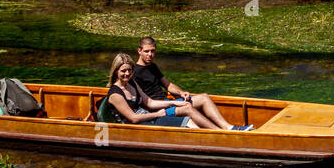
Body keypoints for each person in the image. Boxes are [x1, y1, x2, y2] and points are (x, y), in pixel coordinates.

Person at [106, 52, 251, 130]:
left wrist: (174, 103)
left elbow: (149, 102)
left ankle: (221, 133)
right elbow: (133, 118)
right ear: (116, 71)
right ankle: (220, 135)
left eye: (130, 71)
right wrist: (159, 113)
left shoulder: (132, 82)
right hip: (142, 125)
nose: (127, 74)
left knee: (190, 119)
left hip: (151, 116)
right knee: (189, 121)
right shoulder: (115, 94)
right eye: (123, 71)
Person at [132, 36, 251, 130]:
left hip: (170, 103)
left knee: (204, 97)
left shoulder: (152, 66)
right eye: (146, 51)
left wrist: (181, 92)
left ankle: (228, 127)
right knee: (188, 107)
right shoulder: (134, 73)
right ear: (139, 51)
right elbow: (147, 103)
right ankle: (220, 132)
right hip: (159, 110)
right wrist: (172, 103)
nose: (150, 55)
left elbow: (168, 85)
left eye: (152, 51)